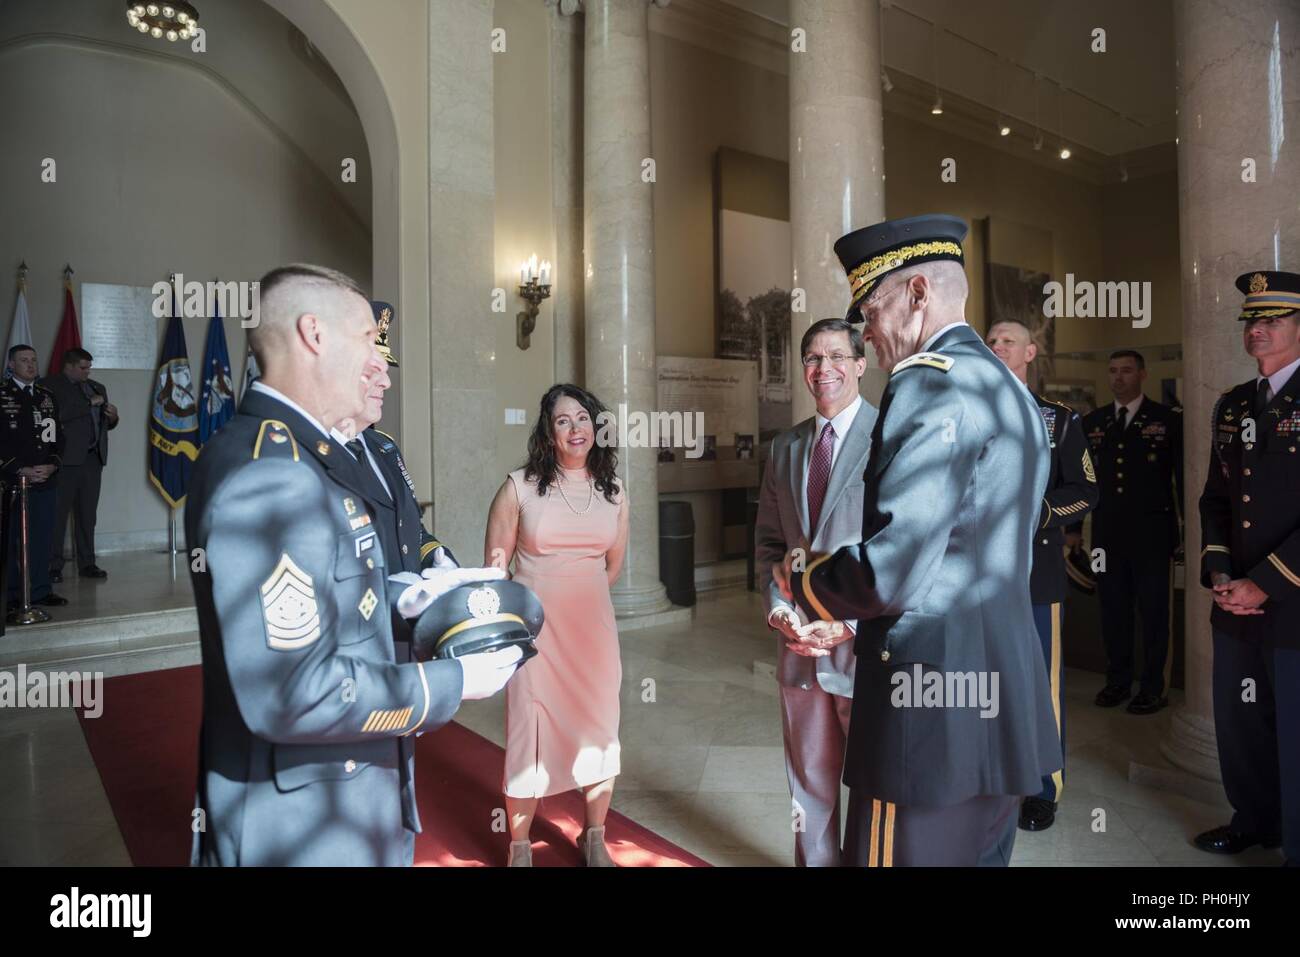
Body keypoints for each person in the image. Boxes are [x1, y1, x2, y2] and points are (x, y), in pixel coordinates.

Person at [186, 263, 522, 866]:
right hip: (303, 824)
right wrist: (454, 683)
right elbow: (292, 692)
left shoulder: (303, 455)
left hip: (351, 792)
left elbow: (332, 597)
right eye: (369, 338)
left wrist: (407, 596)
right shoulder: (271, 472)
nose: (380, 362)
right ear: (314, 335)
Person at [774, 214, 1061, 867]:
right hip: (1002, 703)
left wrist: (806, 581)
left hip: (927, 713)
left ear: (919, 295)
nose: (865, 331)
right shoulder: (1007, 387)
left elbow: (893, 570)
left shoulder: (927, 381)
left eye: (872, 309)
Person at [484, 383, 630, 867]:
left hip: (593, 635)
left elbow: (612, 566)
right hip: (534, 633)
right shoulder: (518, 487)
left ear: (596, 427)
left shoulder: (613, 490)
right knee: (531, 728)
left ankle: (594, 836)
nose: (575, 428)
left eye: (583, 418)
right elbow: (494, 572)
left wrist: (578, 595)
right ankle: (520, 846)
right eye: (563, 420)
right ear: (548, 433)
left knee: (600, 727)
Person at [755, 316, 877, 866]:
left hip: (867, 646)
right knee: (809, 782)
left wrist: (849, 623)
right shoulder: (784, 448)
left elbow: (902, 551)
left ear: (859, 363)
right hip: (799, 645)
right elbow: (767, 546)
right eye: (811, 358)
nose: (822, 369)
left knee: (874, 786)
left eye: (834, 357)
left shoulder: (891, 437)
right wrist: (780, 609)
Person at [1193, 269, 1300, 865]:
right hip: (1235, 600)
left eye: (1274, 320)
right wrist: (1220, 572)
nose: (1259, 330)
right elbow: (1216, 497)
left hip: (1292, 601)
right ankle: (1255, 820)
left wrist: (1265, 583)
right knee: (1241, 723)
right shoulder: (1234, 404)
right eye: (1253, 321)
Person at [987, 319, 1098, 832]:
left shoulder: (1059, 419)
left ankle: (1041, 788)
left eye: (1006, 341)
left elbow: (1085, 489)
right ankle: (992, 777)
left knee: (1040, 684)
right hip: (978, 576)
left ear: (1030, 352)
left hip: (1036, 573)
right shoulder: (969, 411)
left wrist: (1033, 515)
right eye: (990, 341)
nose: (996, 347)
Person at [1081, 350, 1184, 714]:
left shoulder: (1168, 420)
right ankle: (1118, 681)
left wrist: (1186, 533)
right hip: (1107, 537)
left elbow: (1182, 481)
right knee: (1113, 613)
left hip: (1153, 536)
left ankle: (1153, 686)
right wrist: (1075, 530)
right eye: (1113, 371)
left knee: (1155, 615)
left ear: (1142, 374)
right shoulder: (1093, 422)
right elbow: (1082, 482)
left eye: (1126, 370)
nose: (1118, 377)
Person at [39, 347, 118, 583]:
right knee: (58, 515)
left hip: (93, 459)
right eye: (83, 367)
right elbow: (53, 416)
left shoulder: (97, 387)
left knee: (87, 515)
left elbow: (102, 422)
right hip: (65, 460)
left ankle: (88, 563)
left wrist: (113, 417)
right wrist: (89, 404)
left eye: (89, 367)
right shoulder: (49, 385)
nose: (88, 372)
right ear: (69, 366)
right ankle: (53, 565)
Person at [1, 345, 67, 607]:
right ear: (10, 365)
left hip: (44, 479)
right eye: (23, 360)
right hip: (11, 480)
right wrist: (20, 468)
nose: (30, 365)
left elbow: (56, 437)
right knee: (11, 540)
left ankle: (41, 589)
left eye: (33, 360)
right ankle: (13, 594)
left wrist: (52, 465)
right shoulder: (3, 395)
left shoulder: (46, 395)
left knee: (42, 537)